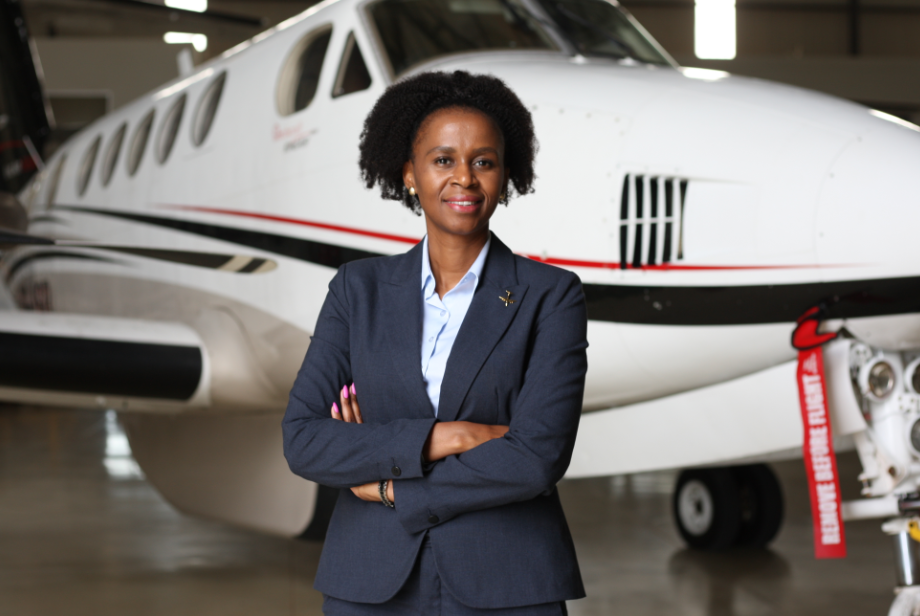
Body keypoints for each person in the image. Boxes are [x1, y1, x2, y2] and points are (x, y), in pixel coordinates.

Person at [282, 70, 588, 615]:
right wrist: (450, 436)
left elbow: (537, 456)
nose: (464, 179)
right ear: (409, 175)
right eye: (443, 160)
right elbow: (305, 438)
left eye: (484, 161)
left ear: (505, 174)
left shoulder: (551, 296)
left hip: (508, 582)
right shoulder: (358, 290)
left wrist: (387, 484)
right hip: (370, 584)